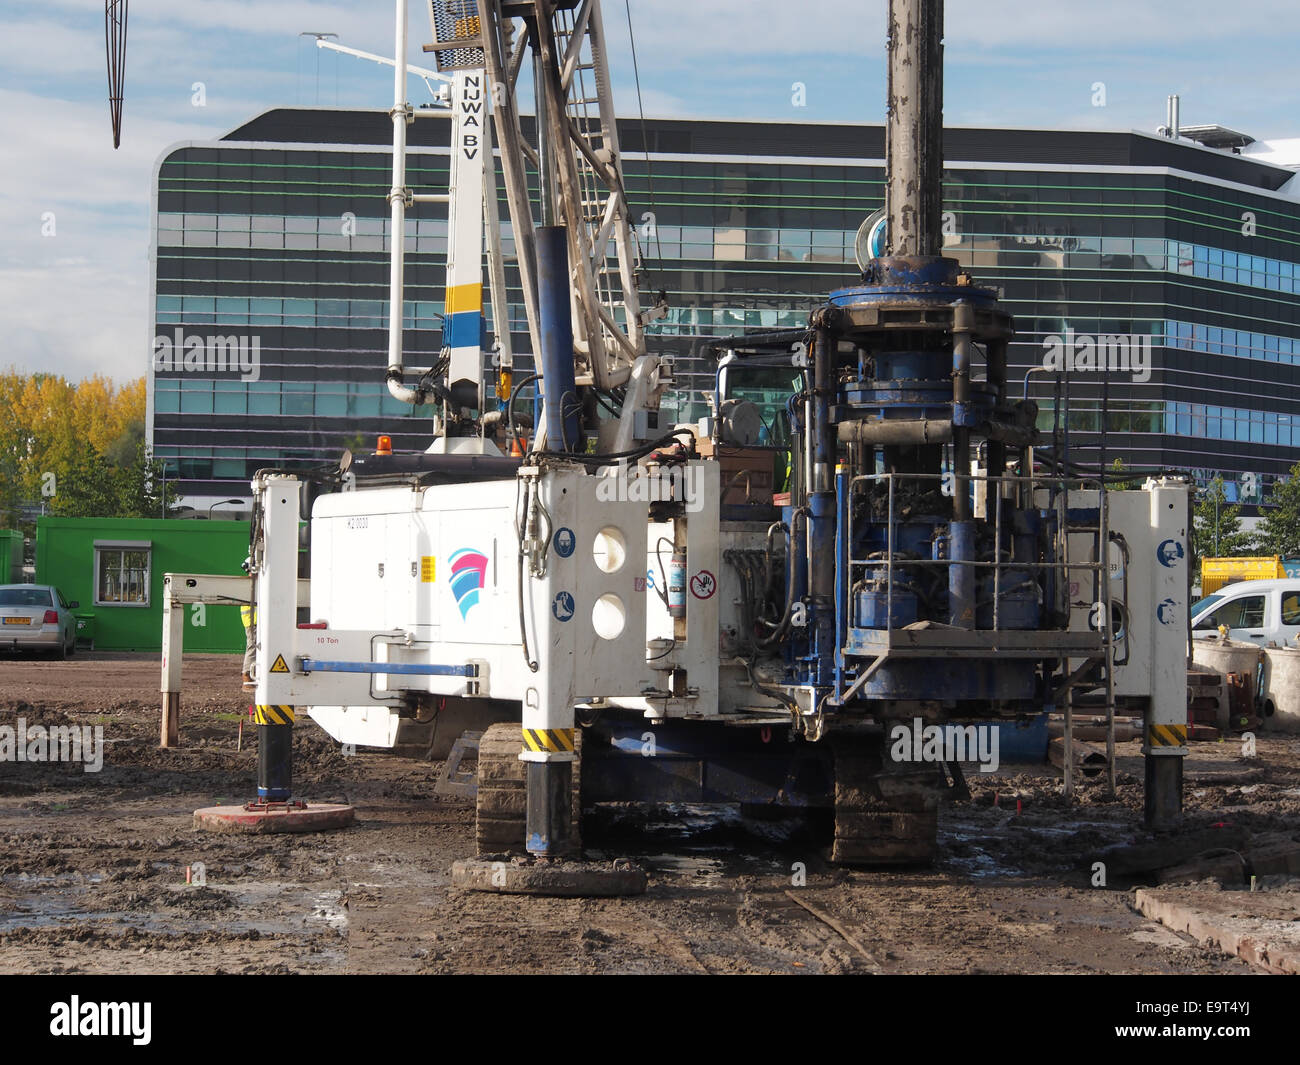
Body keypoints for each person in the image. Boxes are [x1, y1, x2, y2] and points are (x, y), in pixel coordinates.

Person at [240, 555, 255, 689]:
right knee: (252, 647)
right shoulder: (252, 584)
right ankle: (247, 676)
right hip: (253, 621)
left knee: (254, 647)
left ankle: (251, 674)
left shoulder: (251, 583)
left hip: (253, 621)